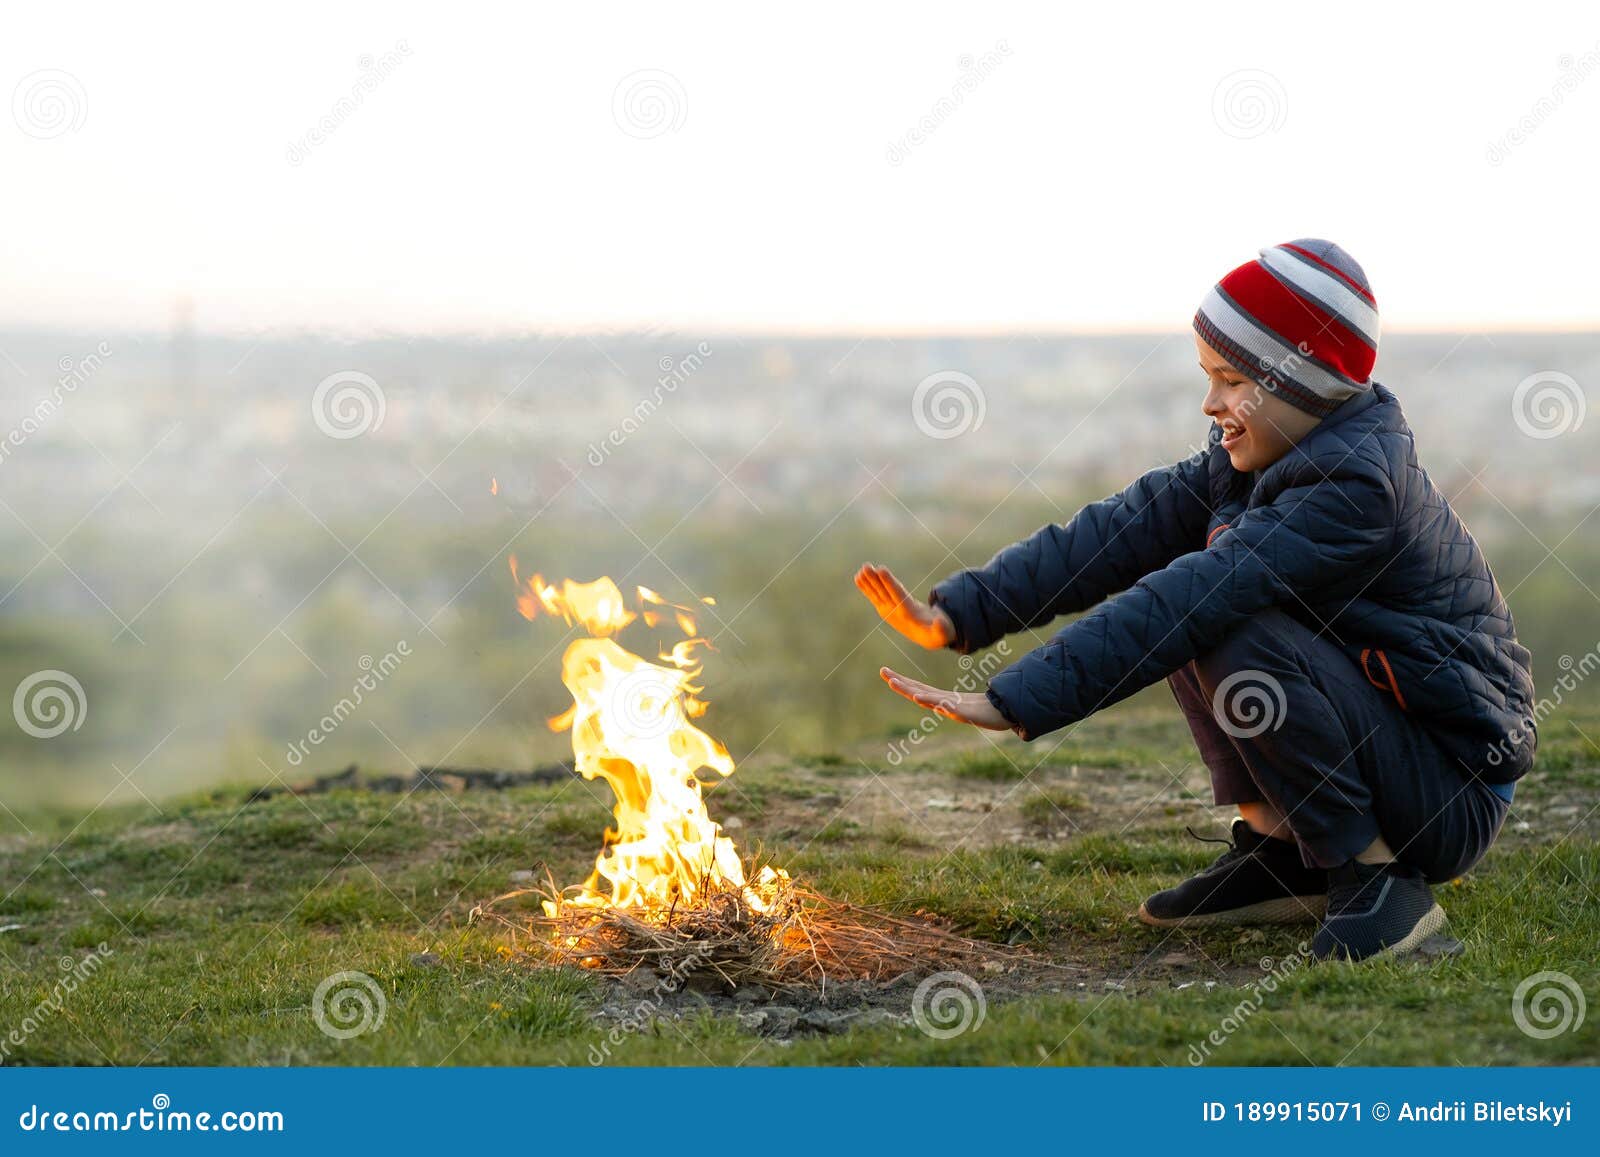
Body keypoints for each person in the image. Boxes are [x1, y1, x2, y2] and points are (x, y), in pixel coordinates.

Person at [855, 239, 1535, 962]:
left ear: (1302, 385)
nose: (1211, 403)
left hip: (1451, 790)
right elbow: (1114, 534)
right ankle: (1283, 852)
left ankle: (1377, 879)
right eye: (1209, 377)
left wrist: (1015, 700)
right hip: (1401, 754)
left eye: (1231, 380)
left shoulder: (1355, 490)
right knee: (1203, 602)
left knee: (1216, 616)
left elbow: (1191, 598)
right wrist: (960, 614)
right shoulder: (1251, 462)